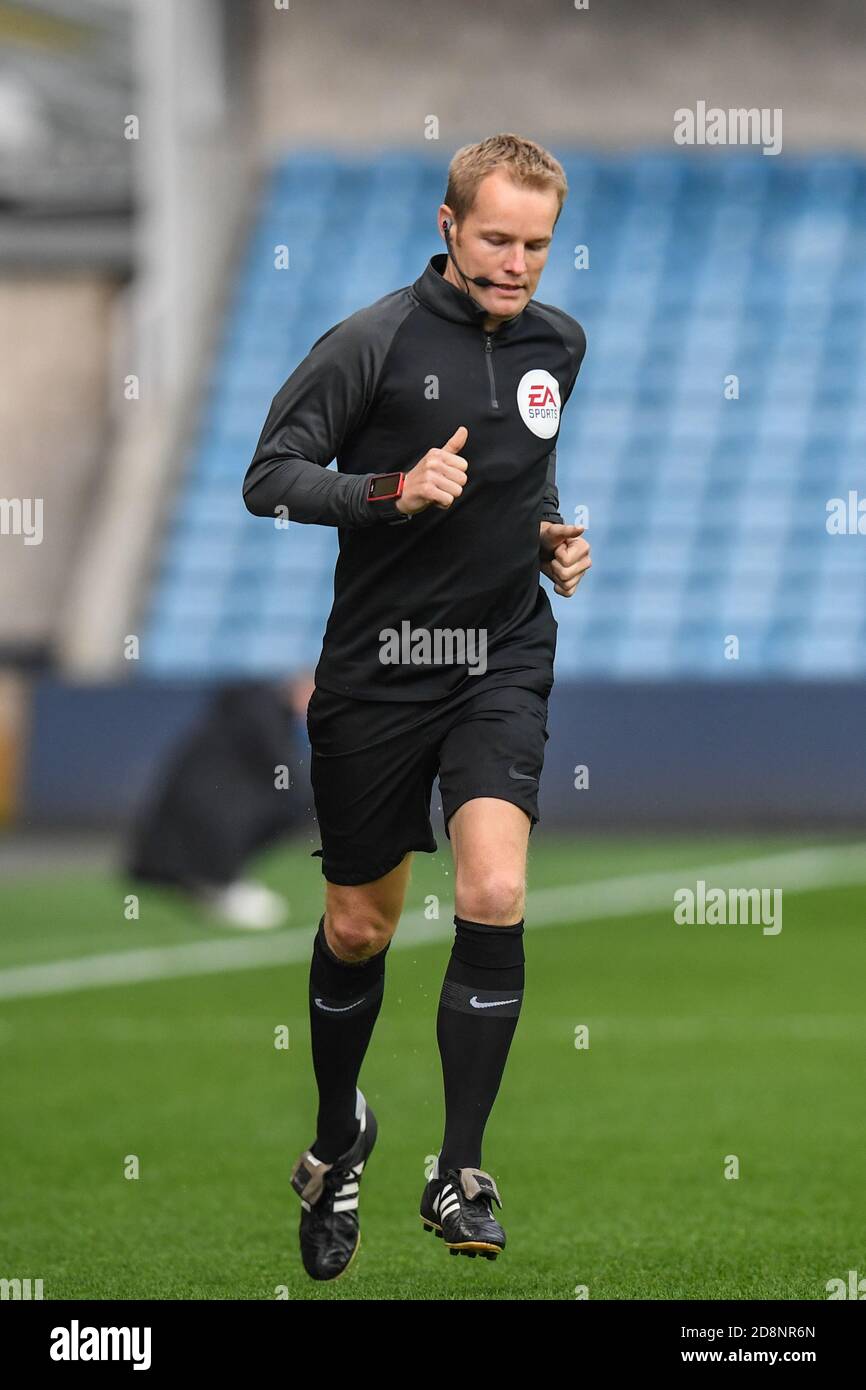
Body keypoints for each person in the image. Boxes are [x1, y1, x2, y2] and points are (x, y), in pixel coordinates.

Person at [243, 132, 591, 1281]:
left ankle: (460, 1167)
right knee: (359, 926)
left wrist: (546, 535)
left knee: (491, 886)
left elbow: (519, 472)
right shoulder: (369, 341)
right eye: (495, 238)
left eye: (534, 243)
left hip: (497, 656)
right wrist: (392, 490)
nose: (516, 262)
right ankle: (339, 1133)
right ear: (447, 226)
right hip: (380, 667)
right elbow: (270, 478)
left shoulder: (557, 344)